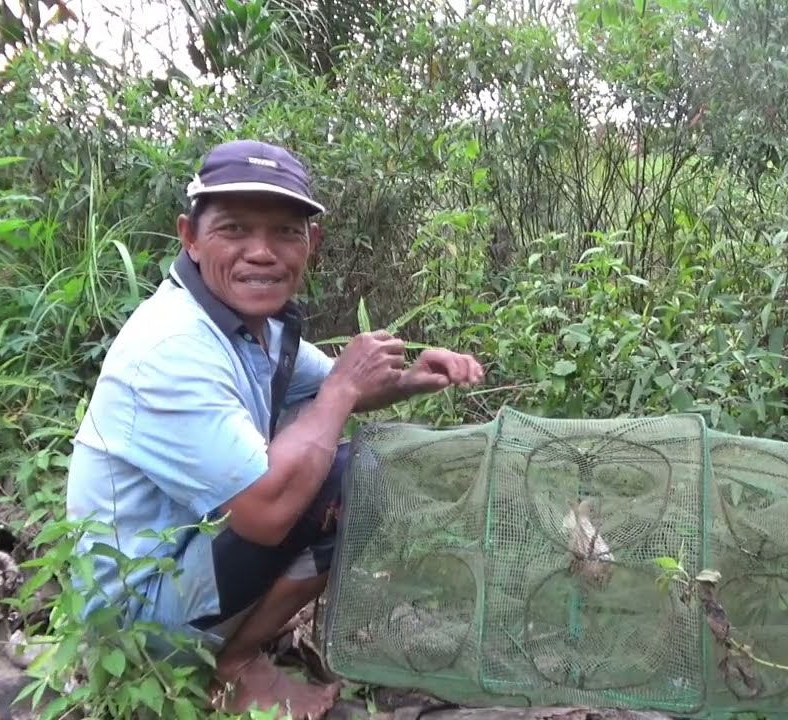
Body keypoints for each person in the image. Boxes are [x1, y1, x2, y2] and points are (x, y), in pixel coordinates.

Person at [63, 139, 485, 719]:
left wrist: (410, 378)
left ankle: (232, 649)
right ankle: (228, 666)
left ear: (309, 243)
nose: (260, 253)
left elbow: (335, 382)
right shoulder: (172, 347)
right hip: (135, 615)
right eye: (234, 230)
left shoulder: (251, 322)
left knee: (339, 467)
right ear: (190, 236)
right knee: (344, 477)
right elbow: (265, 514)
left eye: (285, 232)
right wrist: (341, 391)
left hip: (191, 553)